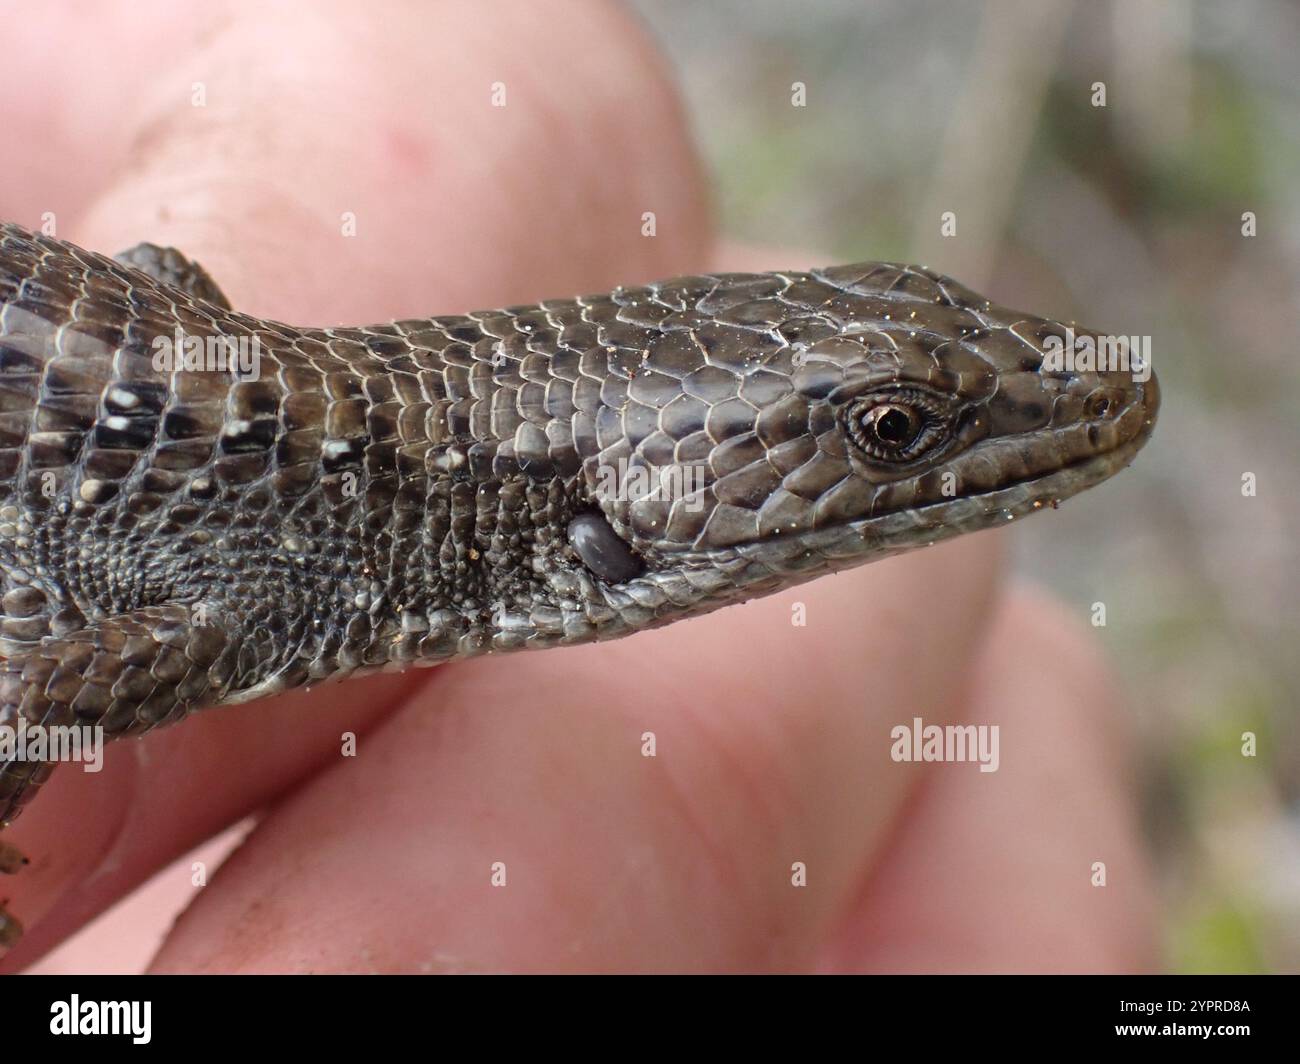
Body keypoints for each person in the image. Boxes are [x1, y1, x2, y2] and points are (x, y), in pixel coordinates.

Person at [0, 0, 1155, 973]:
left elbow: (152, 278)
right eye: (893, 429)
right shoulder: (236, 598)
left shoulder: (242, 531)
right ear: (609, 500)